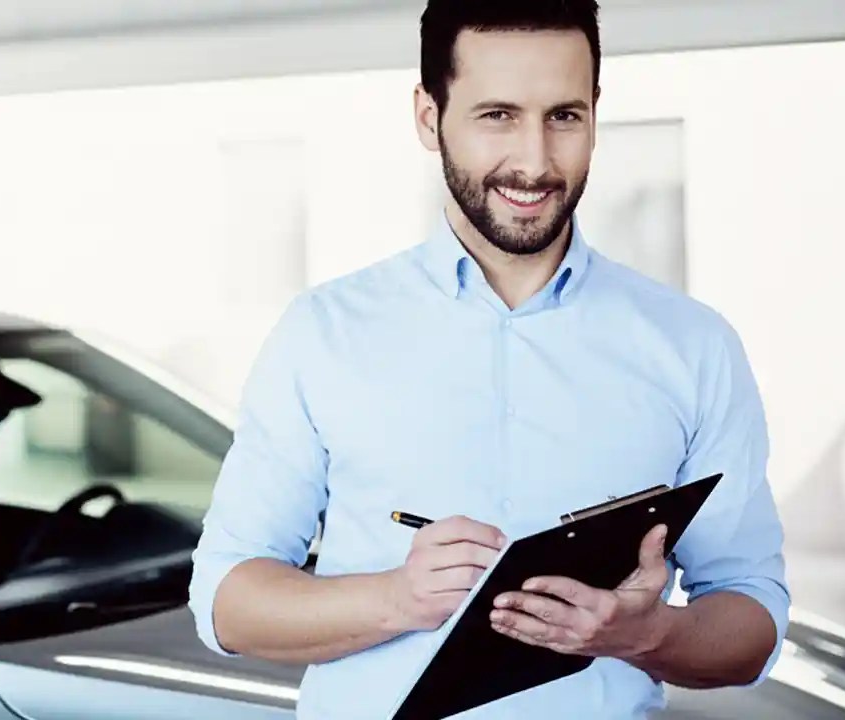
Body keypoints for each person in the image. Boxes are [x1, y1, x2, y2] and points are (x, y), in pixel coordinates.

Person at [188, 1, 790, 718]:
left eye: (563, 116)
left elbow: (751, 620)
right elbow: (227, 603)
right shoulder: (322, 333)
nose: (534, 162)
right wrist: (395, 599)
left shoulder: (694, 346)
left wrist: (648, 634)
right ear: (429, 117)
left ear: (596, 113)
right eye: (497, 115)